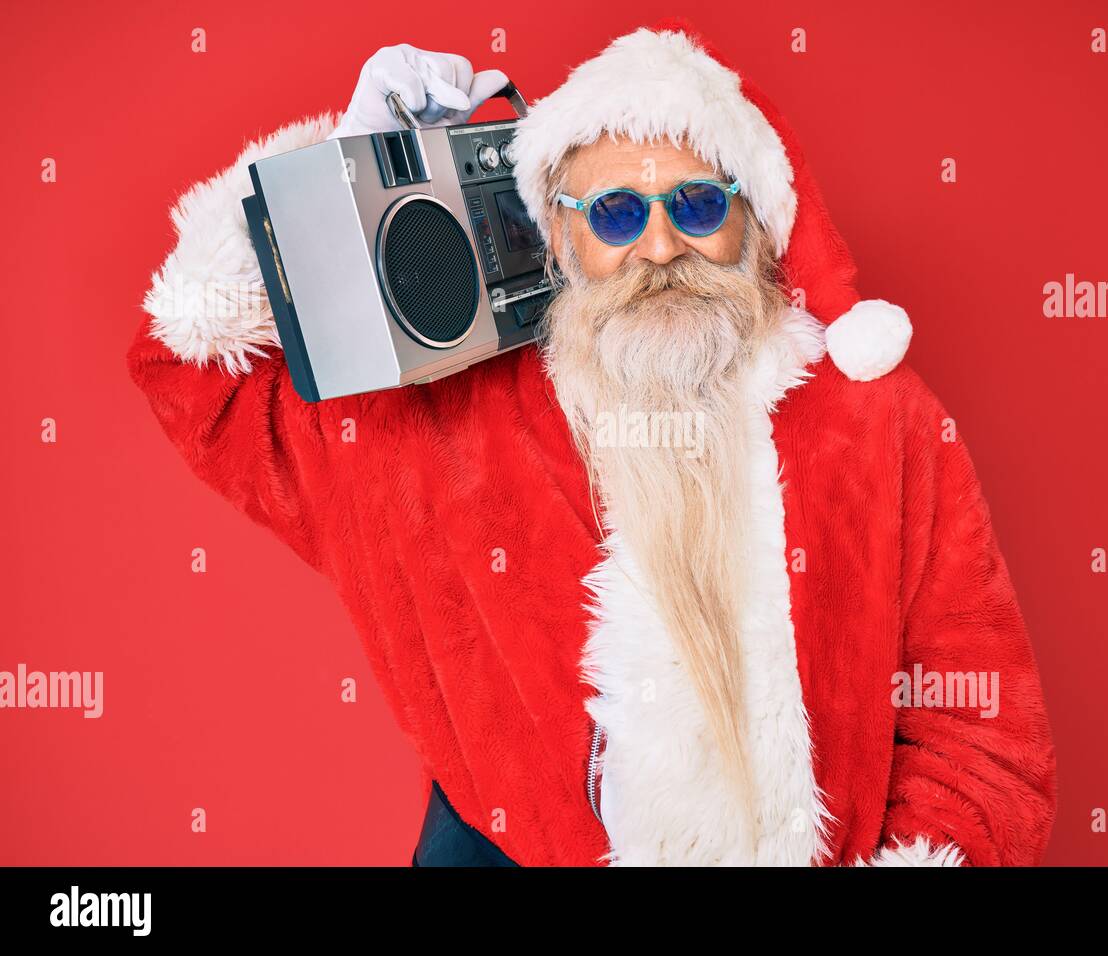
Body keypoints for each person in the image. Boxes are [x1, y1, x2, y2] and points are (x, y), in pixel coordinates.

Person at [126, 18, 1058, 866]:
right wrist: (339, 170)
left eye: (696, 204)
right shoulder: (439, 428)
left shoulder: (880, 423)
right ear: (563, 242)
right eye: (614, 214)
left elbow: (984, 738)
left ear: (757, 221)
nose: (658, 247)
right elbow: (191, 369)